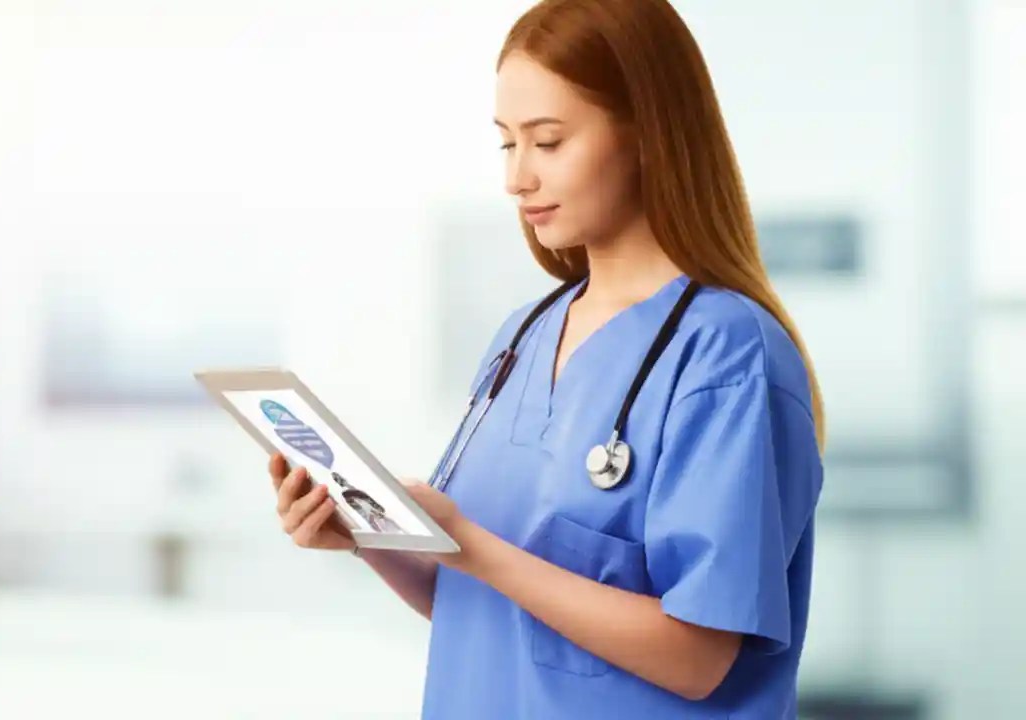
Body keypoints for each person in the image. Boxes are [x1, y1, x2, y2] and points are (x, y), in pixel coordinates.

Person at [267, 0, 824, 717]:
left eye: (549, 142)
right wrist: (370, 538)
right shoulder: (521, 337)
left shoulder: (722, 352)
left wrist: (468, 542)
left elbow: (698, 656)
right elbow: (484, 605)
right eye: (507, 144)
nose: (517, 179)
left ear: (649, 134)